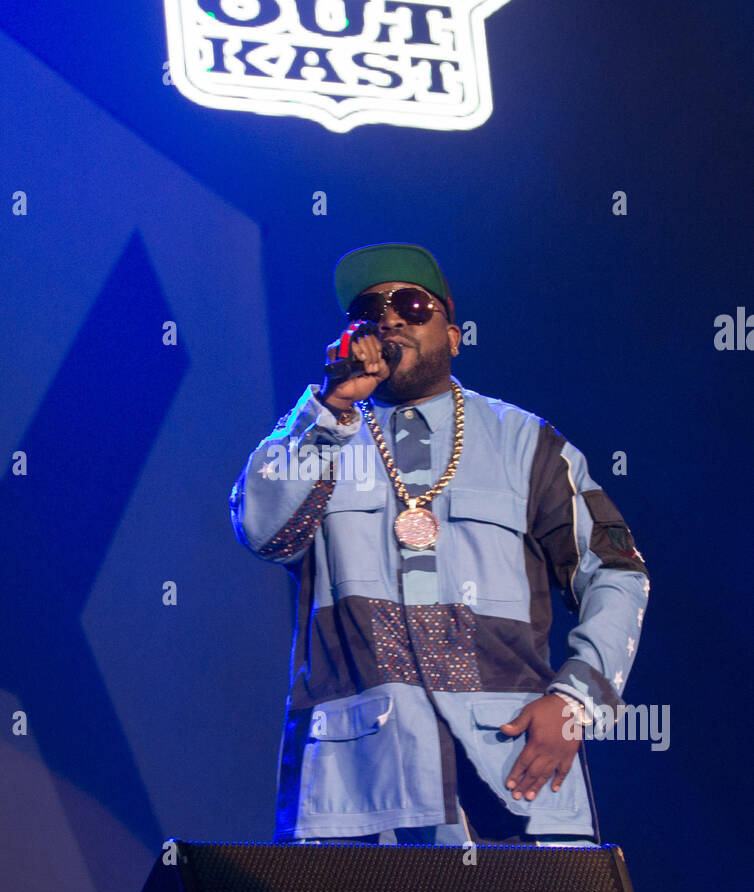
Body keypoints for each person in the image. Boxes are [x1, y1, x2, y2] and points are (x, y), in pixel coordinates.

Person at [229, 242, 649, 849]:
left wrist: (577, 700)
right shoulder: (320, 436)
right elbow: (265, 536)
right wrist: (330, 409)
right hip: (358, 792)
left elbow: (618, 571)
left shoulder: (524, 442)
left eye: (411, 304)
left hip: (513, 778)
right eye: (370, 310)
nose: (390, 319)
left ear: (453, 335)